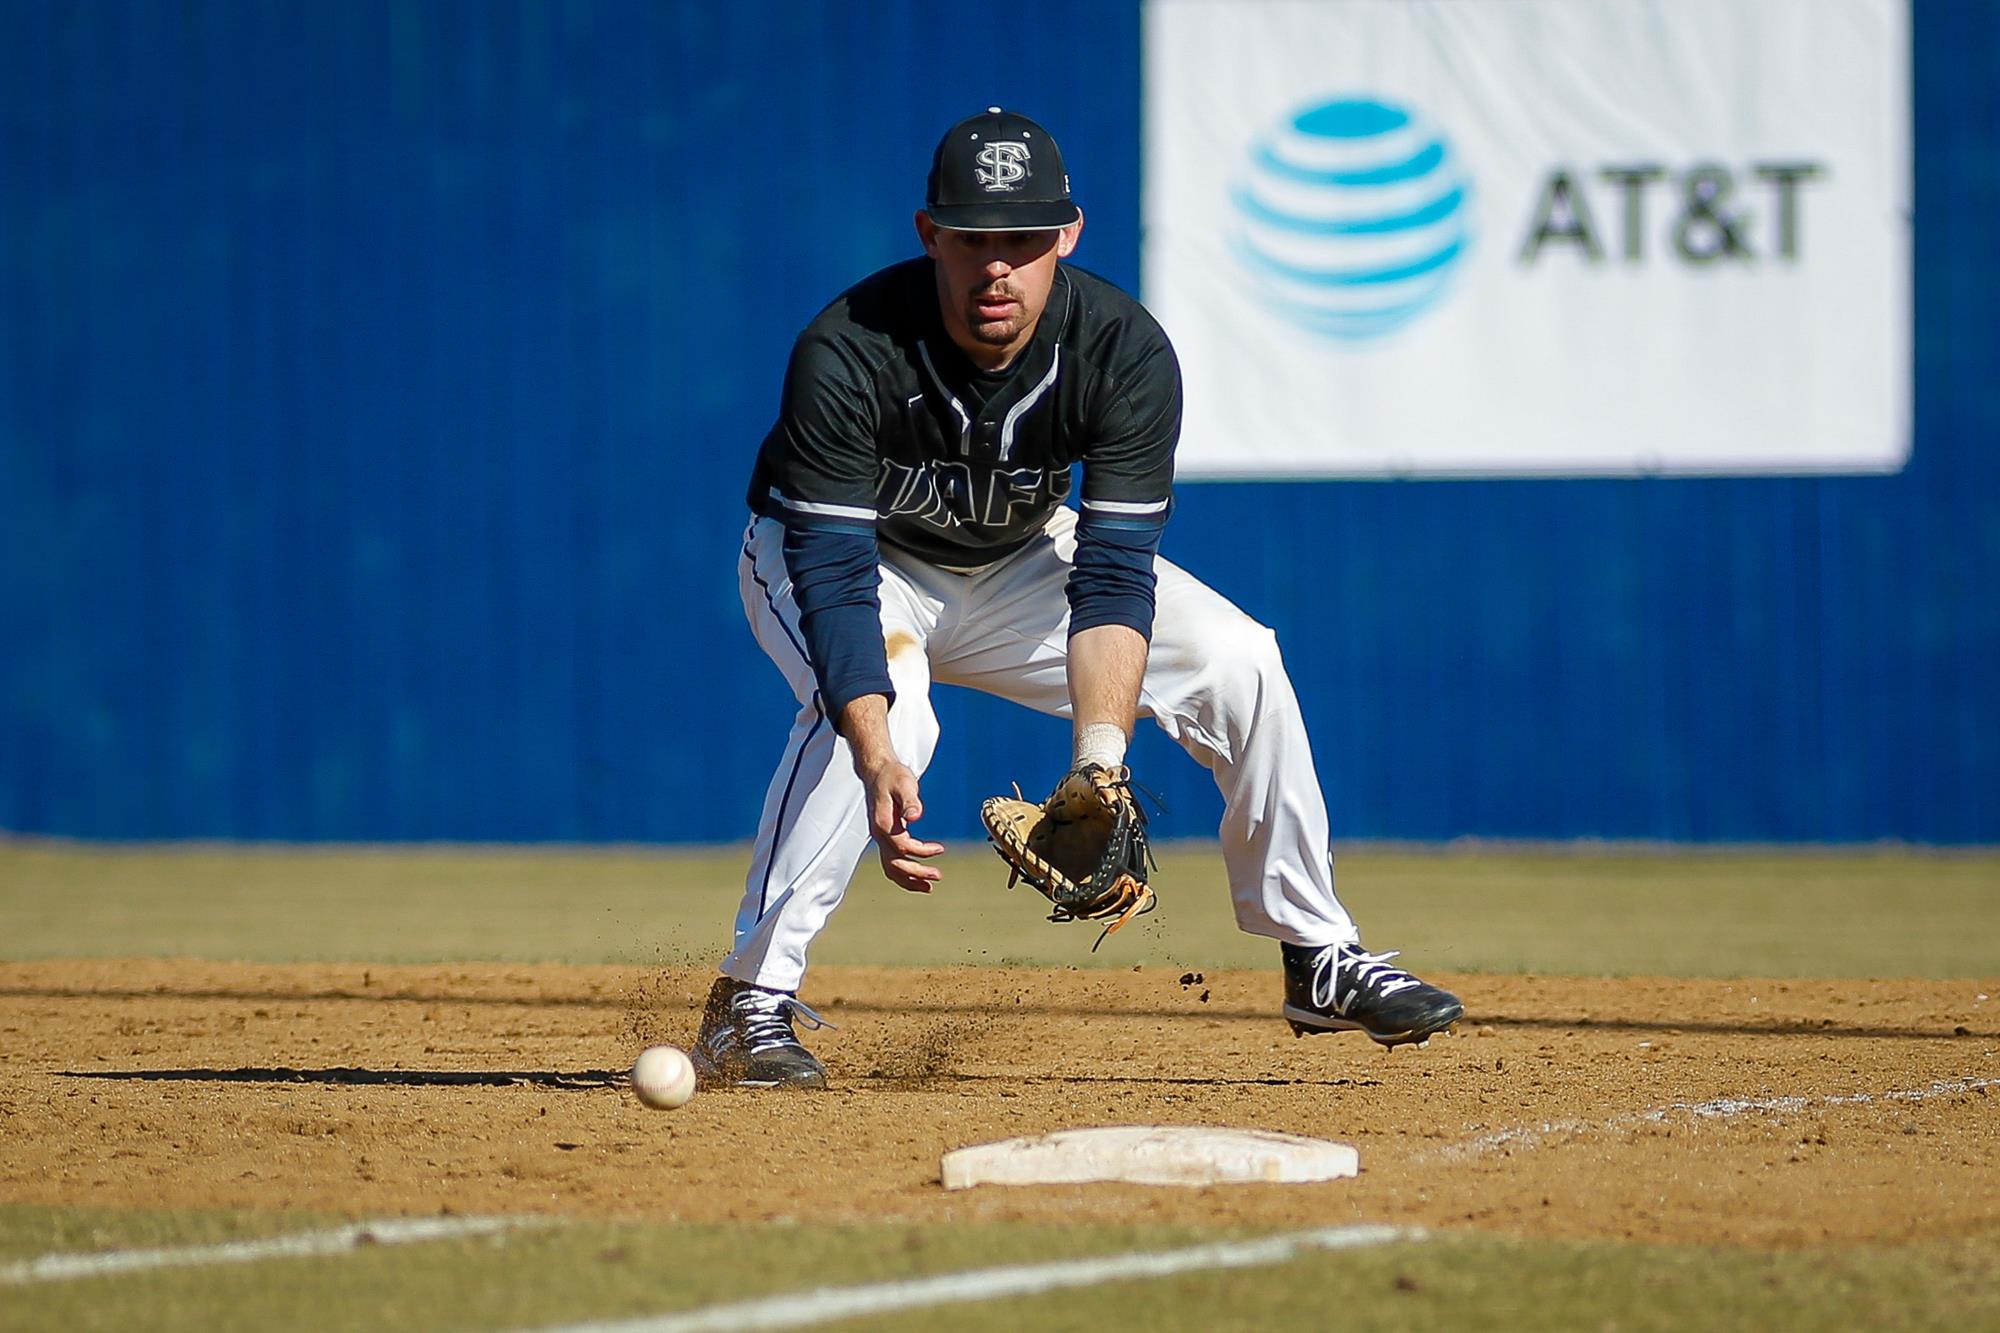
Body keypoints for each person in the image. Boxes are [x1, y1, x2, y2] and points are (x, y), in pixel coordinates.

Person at [693, 108, 1463, 1088]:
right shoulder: (847, 350)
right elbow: (835, 572)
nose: (997, 267)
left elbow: (1111, 569)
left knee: (1237, 659)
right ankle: (749, 1002)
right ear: (930, 235)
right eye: (974, 238)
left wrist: (1097, 767)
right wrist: (877, 748)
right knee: (893, 716)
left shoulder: (1120, 351)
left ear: (1067, 235)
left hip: (1018, 561)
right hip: (847, 561)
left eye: (1022, 239)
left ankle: (1314, 952)